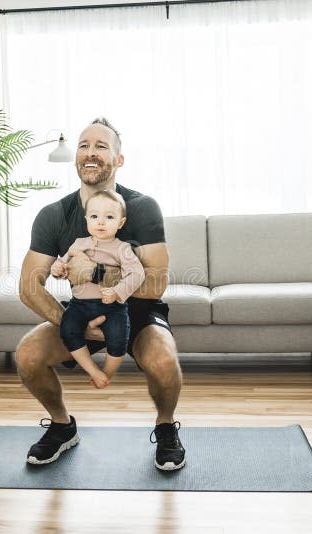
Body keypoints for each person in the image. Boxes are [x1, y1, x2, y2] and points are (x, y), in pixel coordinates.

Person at [17, 117, 186, 470]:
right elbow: (29, 286)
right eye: (83, 146)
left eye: (101, 146)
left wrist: (97, 273)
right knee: (28, 354)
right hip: (82, 311)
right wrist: (75, 325)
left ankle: (166, 425)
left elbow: (156, 282)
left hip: (136, 312)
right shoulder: (54, 215)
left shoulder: (141, 208)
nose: (90, 153)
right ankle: (62, 427)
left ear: (119, 160)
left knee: (164, 361)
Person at [51, 189, 146, 389]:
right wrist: (57, 268)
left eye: (109, 217)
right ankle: (93, 370)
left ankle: (107, 373)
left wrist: (118, 291)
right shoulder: (78, 243)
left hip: (111, 306)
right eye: (94, 216)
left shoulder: (122, 248)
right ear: (86, 219)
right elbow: (63, 265)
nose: (100, 222)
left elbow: (137, 274)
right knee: (68, 330)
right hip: (79, 305)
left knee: (119, 337)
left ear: (120, 222)